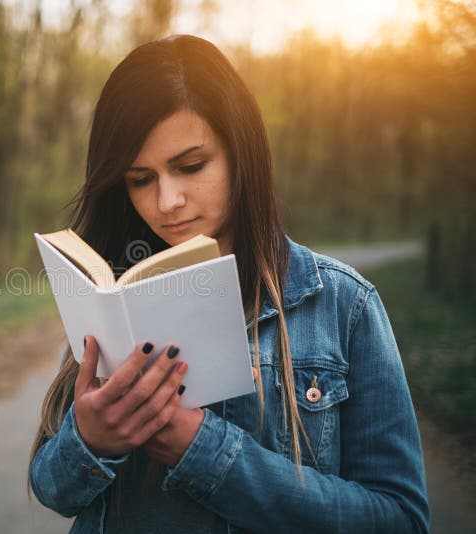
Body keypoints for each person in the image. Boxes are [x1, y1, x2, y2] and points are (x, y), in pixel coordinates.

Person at [28, 35, 429, 533]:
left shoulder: (343, 305)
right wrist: (89, 442)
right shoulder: (114, 299)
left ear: (242, 153)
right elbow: (51, 488)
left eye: (190, 166)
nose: (166, 200)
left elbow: (401, 519)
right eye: (139, 178)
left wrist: (203, 450)